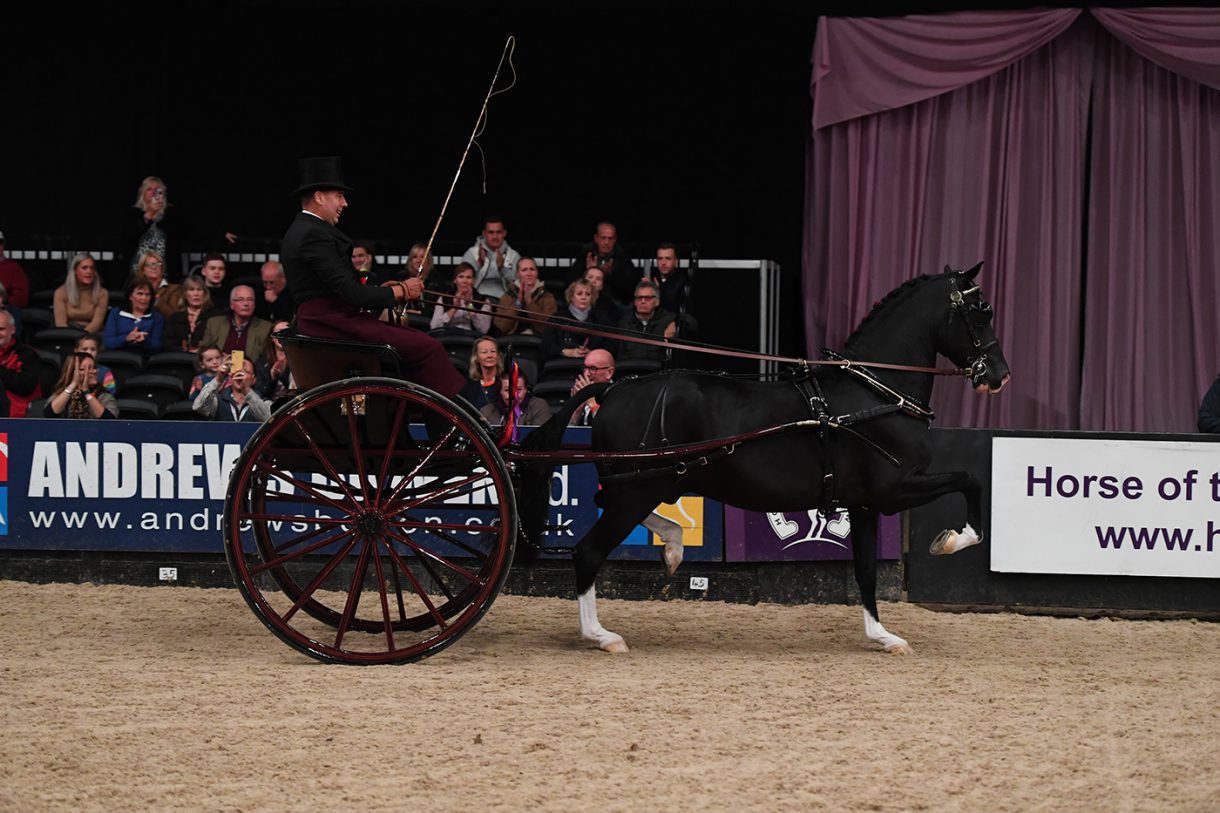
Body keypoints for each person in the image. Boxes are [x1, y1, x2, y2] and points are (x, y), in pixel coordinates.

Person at [280, 156, 467, 403]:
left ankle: (404, 417)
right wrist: (400, 291)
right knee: (428, 348)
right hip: (331, 322)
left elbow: (343, 283)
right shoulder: (312, 234)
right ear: (319, 196)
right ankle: (441, 430)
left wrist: (382, 290)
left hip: (333, 318)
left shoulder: (307, 230)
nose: (344, 203)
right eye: (339, 195)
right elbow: (351, 293)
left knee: (411, 347)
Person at [568, 221, 639, 311]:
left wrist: (611, 275)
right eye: (603, 238)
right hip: (587, 302)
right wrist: (587, 272)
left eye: (610, 238)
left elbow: (630, 289)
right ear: (596, 238)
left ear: (615, 239)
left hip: (615, 303)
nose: (606, 242)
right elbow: (570, 283)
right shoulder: (585, 255)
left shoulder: (622, 257)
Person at [541, 278, 612, 362]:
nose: (584, 297)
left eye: (588, 294)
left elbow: (610, 344)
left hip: (593, 364)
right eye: (579, 294)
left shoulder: (601, 318)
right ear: (571, 297)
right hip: (563, 363)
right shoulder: (557, 317)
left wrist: (593, 353)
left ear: (592, 297)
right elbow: (547, 345)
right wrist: (566, 352)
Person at [198, 285, 273, 360]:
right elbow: (203, 353)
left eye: (250, 299)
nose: (246, 304)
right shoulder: (214, 323)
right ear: (231, 304)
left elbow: (267, 360)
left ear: (254, 304)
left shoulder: (266, 328)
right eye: (241, 299)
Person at [192, 354, 270, 422]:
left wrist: (247, 390)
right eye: (236, 371)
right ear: (230, 376)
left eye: (245, 371)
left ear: (253, 379)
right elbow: (198, 407)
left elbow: (268, 418)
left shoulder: (265, 402)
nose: (239, 375)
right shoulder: (218, 401)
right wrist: (218, 379)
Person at [615, 279, 676, 364]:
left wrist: (675, 323)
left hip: (657, 372)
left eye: (647, 298)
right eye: (639, 298)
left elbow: (692, 323)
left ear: (657, 302)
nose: (643, 301)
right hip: (629, 370)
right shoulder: (623, 322)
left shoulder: (666, 319)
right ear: (635, 302)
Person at [102, 275, 165, 357]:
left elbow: (157, 346)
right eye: (140, 294)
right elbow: (107, 342)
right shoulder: (116, 313)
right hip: (118, 358)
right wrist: (127, 338)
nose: (144, 298)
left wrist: (144, 340)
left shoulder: (157, 317)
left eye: (148, 295)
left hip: (145, 360)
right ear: (130, 296)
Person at [493, 256, 556, 336]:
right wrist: (518, 303)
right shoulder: (507, 297)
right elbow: (501, 328)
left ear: (537, 272)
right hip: (512, 342)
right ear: (518, 274)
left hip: (539, 343)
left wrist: (529, 302)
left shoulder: (547, 297)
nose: (529, 273)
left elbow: (547, 328)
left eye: (532, 269)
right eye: (524, 270)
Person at [43, 352, 118, 419]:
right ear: (73, 373)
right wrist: (73, 384)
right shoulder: (61, 395)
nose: (95, 371)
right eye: (86, 369)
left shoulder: (104, 396)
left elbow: (109, 419)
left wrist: (86, 392)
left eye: (94, 367)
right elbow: (49, 414)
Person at [460, 216, 520, 298]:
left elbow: (518, 286)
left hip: (505, 303)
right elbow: (462, 281)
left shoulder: (513, 256)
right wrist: (479, 263)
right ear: (484, 234)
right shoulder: (472, 253)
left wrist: (502, 269)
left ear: (504, 233)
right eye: (491, 232)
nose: (495, 237)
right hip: (476, 300)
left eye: (498, 232)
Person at [430, 262, 493, 335]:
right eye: (461, 277)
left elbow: (484, 329)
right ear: (455, 280)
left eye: (468, 277)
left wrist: (469, 305)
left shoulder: (483, 300)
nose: (465, 281)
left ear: (474, 281)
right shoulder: (443, 298)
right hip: (447, 337)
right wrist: (454, 308)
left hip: (473, 340)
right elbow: (434, 327)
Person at [53, 253, 110, 333]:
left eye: (92, 268)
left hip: (92, 335)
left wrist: (82, 338)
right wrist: (71, 336)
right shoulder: (61, 292)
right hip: (68, 333)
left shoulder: (102, 293)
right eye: (84, 268)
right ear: (75, 270)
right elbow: (60, 323)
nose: (89, 271)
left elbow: (97, 322)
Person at [479, 369, 552, 432]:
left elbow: (542, 439)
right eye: (508, 390)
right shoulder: (486, 412)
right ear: (500, 392)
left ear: (526, 390)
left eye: (518, 389)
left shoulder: (539, 406)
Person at [0, 310, 42, 417]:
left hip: (16, 417)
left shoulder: (27, 354)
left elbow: (25, 386)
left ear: (13, 329)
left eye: (1, 329)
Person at [163, 275, 218, 352]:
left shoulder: (214, 317)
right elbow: (167, 344)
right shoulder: (174, 318)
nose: (196, 294)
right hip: (179, 359)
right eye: (191, 290)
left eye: (199, 290)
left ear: (205, 294)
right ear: (185, 294)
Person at [568, 347, 616, 426]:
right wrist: (577, 409)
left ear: (609, 372)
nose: (586, 373)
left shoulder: (619, 396)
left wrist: (592, 403)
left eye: (593, 368)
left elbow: (611, 427)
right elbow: (568, 434)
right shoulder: (580, 392)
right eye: (585, 368)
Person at [254, 321, 294, 401]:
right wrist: (272, 377)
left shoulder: (298, 360)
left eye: (286, 331)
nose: (282, 335)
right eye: (279, 332)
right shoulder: (261, 362)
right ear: (271, 337)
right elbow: (260, 393)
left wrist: (283, 375)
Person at [135, 251, 182, 318]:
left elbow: (175, 317)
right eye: (149, 264)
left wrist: (158, 302)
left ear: (162, 268)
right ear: (143, 270)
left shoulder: (174, 289)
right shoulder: (136, 289)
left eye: (158, 264)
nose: (154, 267)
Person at [652, 242, 689, 316]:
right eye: (660, 259)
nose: (663, 263)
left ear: (676, 262)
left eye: (668, 258)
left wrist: (659, 291)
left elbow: (675, 309)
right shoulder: (653, 279)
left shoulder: (682, 282)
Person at [467, 335, 503, 409]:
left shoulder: (506, 381)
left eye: (493, 351)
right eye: (484, 352)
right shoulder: (469, 386)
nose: (489, 355)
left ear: (498, 356)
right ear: (476, 357)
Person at [0, 230, 30, 308]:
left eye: (0, 243)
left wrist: (4, 301)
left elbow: (21, 300)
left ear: (3, 246)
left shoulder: (14, 268)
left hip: (5, 309)